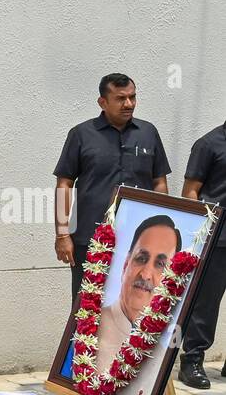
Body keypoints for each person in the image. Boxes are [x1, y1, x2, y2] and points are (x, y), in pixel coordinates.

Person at [54, 73, 171, 305]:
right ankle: (83, 343)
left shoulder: (148, 133)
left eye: (132, 97)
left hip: (139, 242)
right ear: (103, 102)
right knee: (87, 304)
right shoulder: (81, 135)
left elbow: (159, 182)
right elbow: (64, 185)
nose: (129, 104)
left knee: (135, 304)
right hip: (91, 238)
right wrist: (62, 234)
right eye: (120, 98)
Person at [95, 214, 181, 377]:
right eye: (141, 259)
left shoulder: (163, 345)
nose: (146, 274)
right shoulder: (91, 326)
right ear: (126, 265)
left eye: (160, 264)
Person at [178, 124, 226, 389]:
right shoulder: (208, 144)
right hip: (217, 237)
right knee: (205, 304)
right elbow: (191, 191)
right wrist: (196, 234)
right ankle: (192, 360)